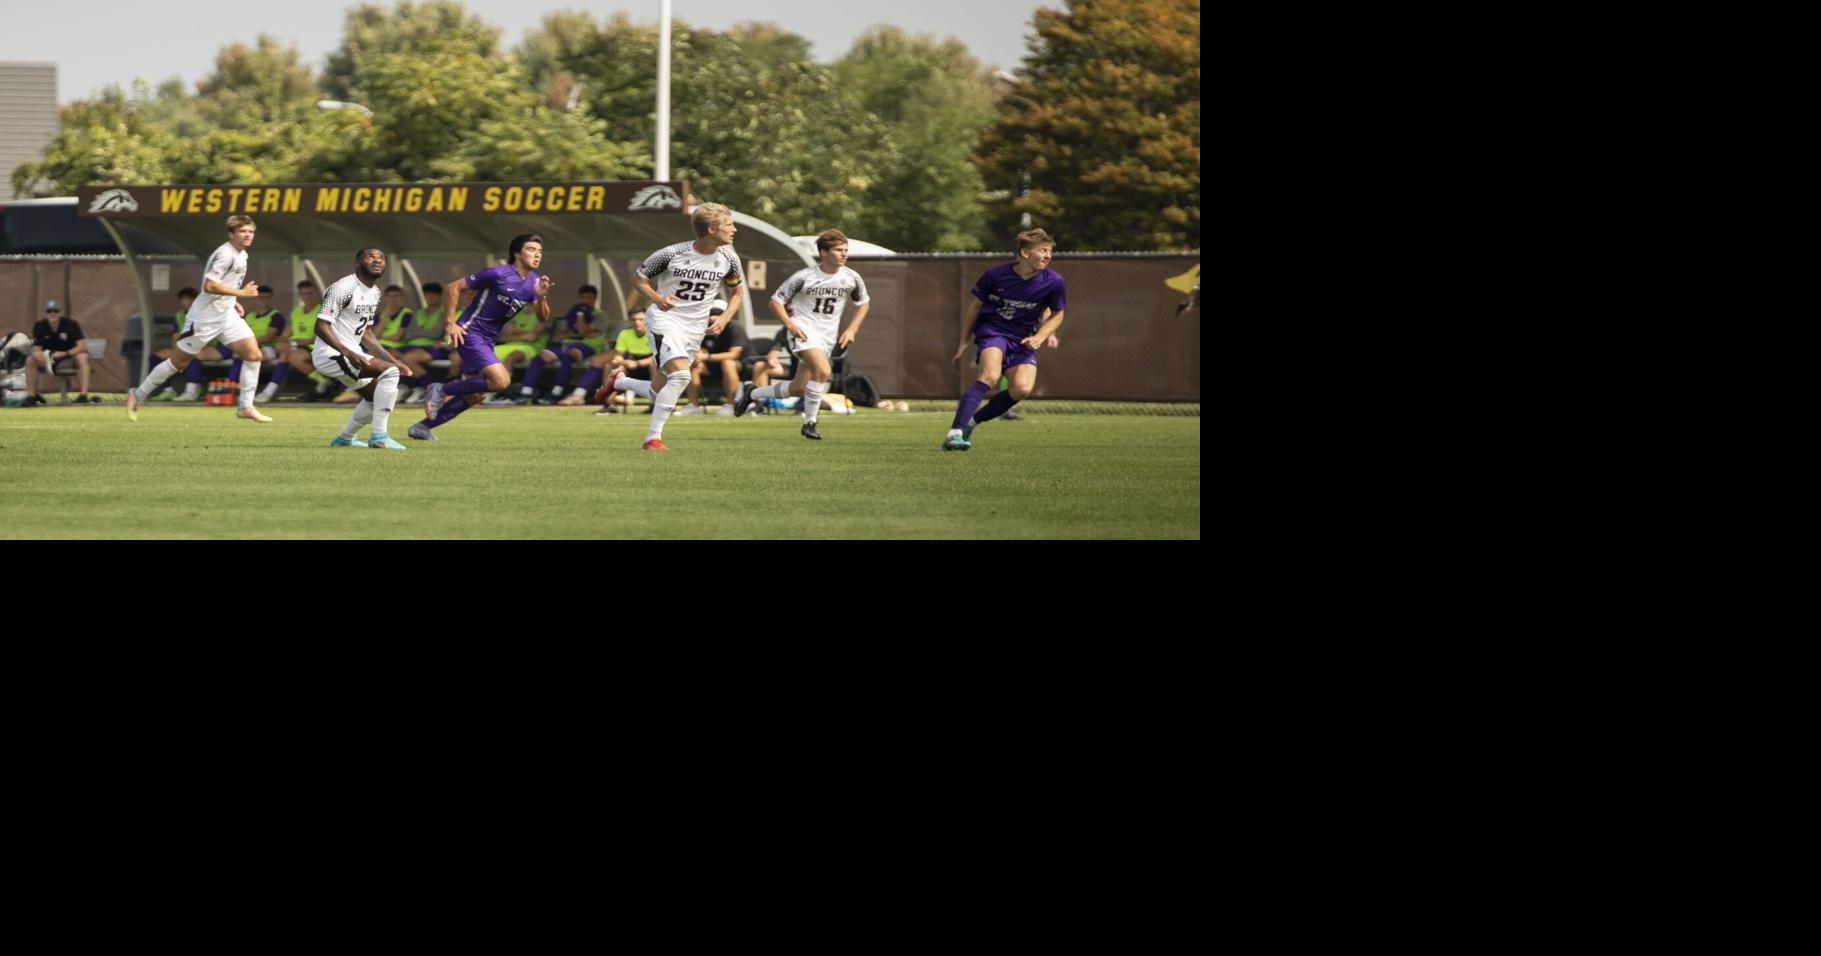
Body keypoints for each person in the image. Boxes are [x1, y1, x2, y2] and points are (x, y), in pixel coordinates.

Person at [600, 203, 743, 450]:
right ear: (711, 229)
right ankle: (652, 439)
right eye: (730, 224)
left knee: (661, 392)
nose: (735, 229)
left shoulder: (729, 258)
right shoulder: (671, 254)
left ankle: (620, 382)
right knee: (681, 376)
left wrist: (725, 317)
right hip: (665, 321)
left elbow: (737, 292)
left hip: (694, 328)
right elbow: (638, 278)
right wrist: (658, 299)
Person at [126, 214, 274, 422]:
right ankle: (138, 393)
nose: (248, 235)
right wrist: (241, 294)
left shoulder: (243, 255)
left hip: (226, 314)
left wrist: (233, 302)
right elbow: (209, 286)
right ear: (231, 234)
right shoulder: (225, 254)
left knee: (253, 355)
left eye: (251, 231)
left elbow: (225, 285)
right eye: (242, 231)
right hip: (205, 317)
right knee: (178, 363)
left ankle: (245, 407)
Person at [407, 234, 552, 441]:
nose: (537, 255)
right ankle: (440, 388)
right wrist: (451, 323)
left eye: (539, 251)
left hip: (488, 339)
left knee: (476, 394)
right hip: (470, 332)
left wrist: (541, 296)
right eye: (531, 250)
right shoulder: (497, 273)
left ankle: (421, 428)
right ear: (517, 253)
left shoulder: (535, 282)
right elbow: (453, 287)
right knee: (501, 381)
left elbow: (542, 316)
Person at [733, 229, 870, 439]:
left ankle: (752, 393)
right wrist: (790, 324)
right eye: (838, 250)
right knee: (823, 371)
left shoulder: (851, 277)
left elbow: (863, 303)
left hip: (826, 335)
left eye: (845, 250)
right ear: (824, 253)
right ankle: (810, 423)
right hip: (804, 330)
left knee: (798, 387)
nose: (844, 254)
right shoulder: (805, 277)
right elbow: (775, 301)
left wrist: (852, 329)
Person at [941, 229, 1066, 451]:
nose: (1048, 256)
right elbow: (975, 307)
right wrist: (964, 340)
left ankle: (971, 423)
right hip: (993, 331)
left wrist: (1040, 336)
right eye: (1042, 251)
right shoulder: (995, 275)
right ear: (1025, 253)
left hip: (1023, 339)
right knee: (989, 375)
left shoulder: (1054, 281)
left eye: (1049, 251)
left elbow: (1057, 314)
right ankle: (955, 432)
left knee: (1022, 388)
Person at [312, 248, 409, 450]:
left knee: (376, 397)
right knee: (389, 374)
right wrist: (349, 353)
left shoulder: (374, 292)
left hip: (350, 353)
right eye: (370, 257)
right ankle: (380, 436)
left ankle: (344, 439)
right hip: (331, 354)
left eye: (381, 257)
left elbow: (367, 333)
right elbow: (320, 326)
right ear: (357, 263)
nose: (377, 260)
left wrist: (394, 359)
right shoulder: (343, 288)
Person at [527, 284, 606, 405]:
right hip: (566, 345)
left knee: (567, 357)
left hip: (589, 346)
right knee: (540, 357)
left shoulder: (600, 315)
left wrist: (581, 314)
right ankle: (525, 392)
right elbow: (561, 335)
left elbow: (582, 331)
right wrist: (579, 334)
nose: (585, 301)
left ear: (595, 299)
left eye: (589, 298)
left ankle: (555, 393)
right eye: (583, 298)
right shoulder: (571, 314)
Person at [23, 299, 93, 404]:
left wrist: (65, 353)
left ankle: (83, 395)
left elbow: (82, 346)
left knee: (82, 357)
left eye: (55, 311)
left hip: (70, 357)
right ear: (46, 313)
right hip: (50, 359)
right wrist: (38, 354)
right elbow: (36, 349)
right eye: (49, 311)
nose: (52, 313)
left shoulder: (71, 324)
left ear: (60, 312)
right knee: (30, 359)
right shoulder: (40, 326)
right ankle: (31, 396)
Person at [584, 309, 652, 413]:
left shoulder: (654, 334)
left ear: (647, 320)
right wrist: (618, 361)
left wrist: (637, 363)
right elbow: (618, 355)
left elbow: (659, 357)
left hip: (649, 367)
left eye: (640, 319)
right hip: (631, 366)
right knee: (609, 366)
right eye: (634, 319)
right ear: (629, 321)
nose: (637, 322)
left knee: (656, 365)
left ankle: (655, 405)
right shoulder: (625, 333)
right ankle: (609, 405)